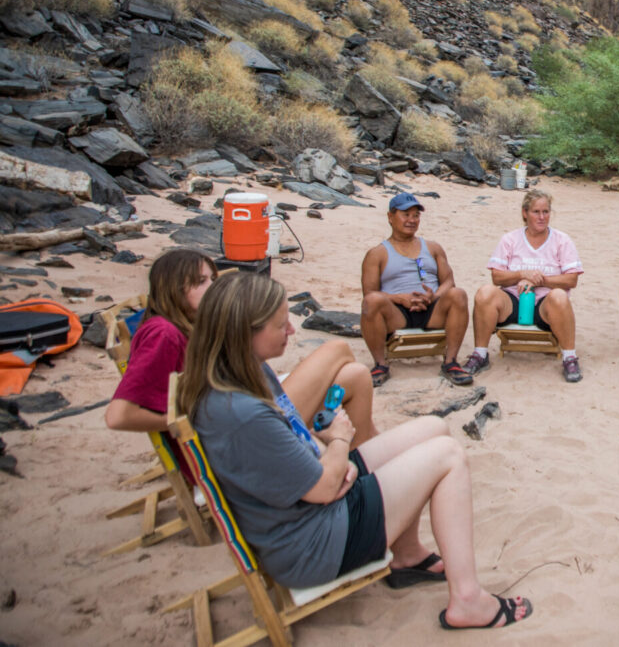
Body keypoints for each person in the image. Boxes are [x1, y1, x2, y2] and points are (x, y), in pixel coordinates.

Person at [177, 272, 533, 629]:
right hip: (313, 543)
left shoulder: (245, 373)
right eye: (280, 324)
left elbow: (299, 447)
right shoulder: (242, 414)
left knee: (434, 429)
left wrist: (334, 461)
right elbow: (323, 488)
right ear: (245, 334)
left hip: (314, 503)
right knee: (449, 456)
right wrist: (340, 443)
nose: (291, 331)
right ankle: (468, 600)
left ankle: (407, 556)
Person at [106, 248, 377, 448]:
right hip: (238, 426)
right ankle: (366, 462)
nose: (213, 287)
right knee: (338, 348)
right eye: (201, 282)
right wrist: (189, 420)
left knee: (354, 375)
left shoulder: (190, 324)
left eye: (212, 279)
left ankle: (364, 451)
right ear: (174, 290)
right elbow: (119, 416)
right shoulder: (163, 333)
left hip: (243, 406)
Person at [465, 190, 585, 383]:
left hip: (546, 306)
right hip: (512, 300)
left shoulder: (562, 240)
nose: (542, 217)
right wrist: (522, 274)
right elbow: (496, 276)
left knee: (560, 296)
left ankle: (570, 356)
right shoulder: (510, 240)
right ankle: (480, 354)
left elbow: (571, 280)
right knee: (485, 293)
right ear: (524, 213)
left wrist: (539, 280)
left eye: (546, 212)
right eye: (536, 212)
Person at [360, 192, 471, 387]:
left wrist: (433, 296)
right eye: (406, 214)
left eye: (416, 215)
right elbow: (370, 293)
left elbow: (448, 281)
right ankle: (380, 364)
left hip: (432, 308)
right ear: (390, 217)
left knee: (458, 294)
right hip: (398, 313)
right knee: (372, 302)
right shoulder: (377, 254)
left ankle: (451, 362)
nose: (412, 220)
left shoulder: (433, 247)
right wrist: (399, 298)